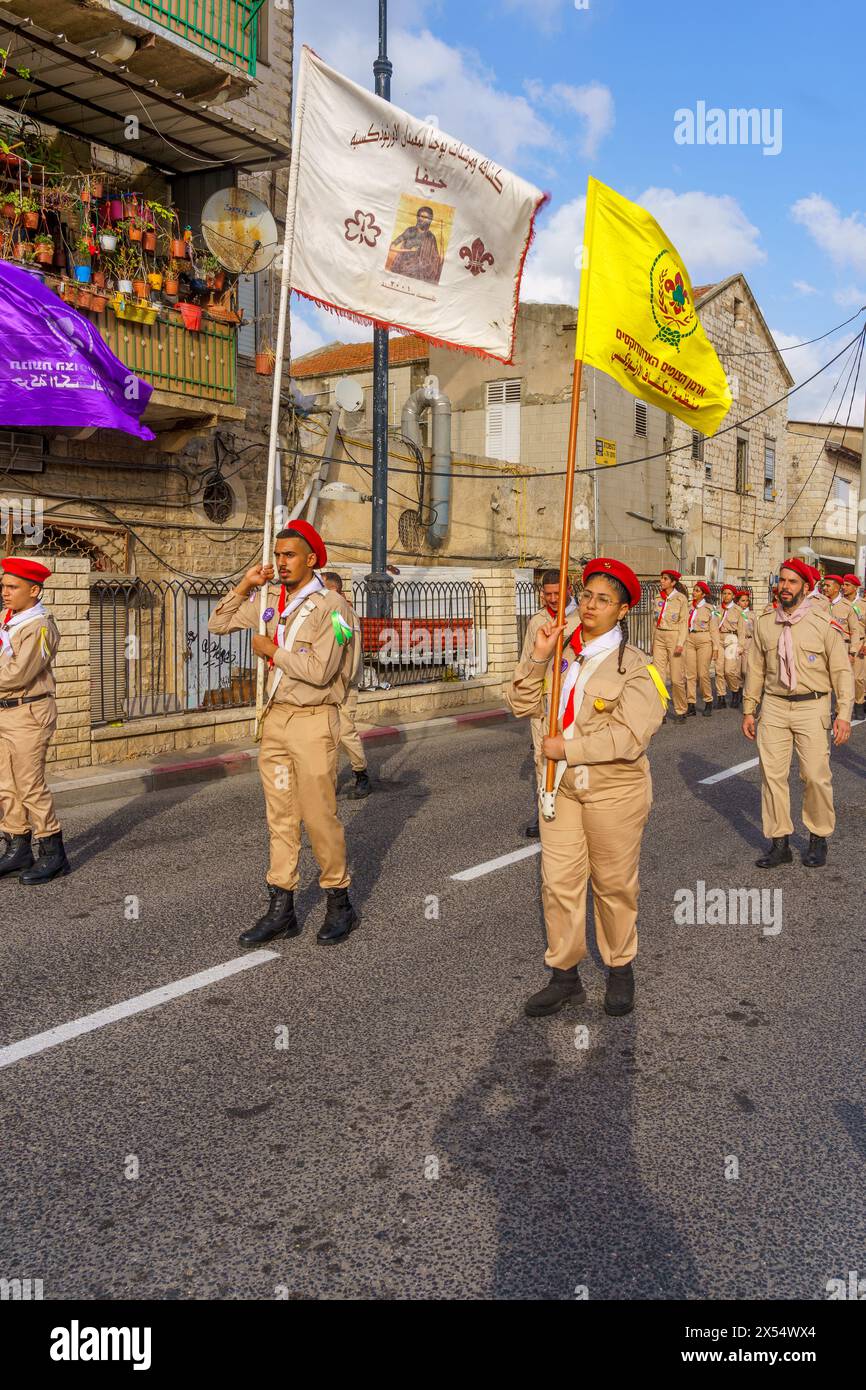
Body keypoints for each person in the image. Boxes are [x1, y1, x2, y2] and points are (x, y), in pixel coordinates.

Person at [507, 558, 667, 1020]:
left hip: (613, 791)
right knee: (558, 884)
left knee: (613, 884)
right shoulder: (560, 651)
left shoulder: (637, 667)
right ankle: (565, 976)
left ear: (622, 611)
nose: (592, 605)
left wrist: (567, 747)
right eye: (589, 595)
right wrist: (538, 657)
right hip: (559, 788)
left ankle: (619, 968)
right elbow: (519, 703)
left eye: (604, 600)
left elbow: (632, 737)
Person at [208, 521, 359, 946]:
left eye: (288, 555)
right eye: (277, 555)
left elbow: (322, 671)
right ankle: (282, 906)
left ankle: (338, 901)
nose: (280, 562)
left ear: (311, 559)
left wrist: (273, 651)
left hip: (314, 722)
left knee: (318, 816)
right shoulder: (270, 602)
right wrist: (244, 585)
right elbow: (217, 625)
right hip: (275, 722)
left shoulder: (333, 608)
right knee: (279, 816)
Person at [742, 557, 853, 869]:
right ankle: (780, 844)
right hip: (774, 705)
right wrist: (749, 709)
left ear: (806, 587)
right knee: (772, 776)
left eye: (792, 582)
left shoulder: (823, 623)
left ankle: (818, 838)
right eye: (782, 580)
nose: (785, 587)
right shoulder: (765, 623)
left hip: (813, 705)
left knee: (816, 776)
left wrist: (844, 713)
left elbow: (842, 671)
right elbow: (756, 669)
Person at [0, 556, 70, 884]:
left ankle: (53, 852)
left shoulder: (40, 625)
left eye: (13, 587)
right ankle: (17, 848)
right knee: (6, 784)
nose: (5, 592)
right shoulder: (8, 619)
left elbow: (16, 673)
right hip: (4, 711)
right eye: (3, 585)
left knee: (30, 784)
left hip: (29, 712)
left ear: (34, 589)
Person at [520, 570, 579, 838]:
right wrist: (528, 700)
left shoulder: (582, 618)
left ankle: (572, 808)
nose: (553, 599)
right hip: (545, 699)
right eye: (548, 594)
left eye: (558, 592)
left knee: (572, 755)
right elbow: (528, 662)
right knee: (541, 757)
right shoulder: (537, 621)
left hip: (574, 699)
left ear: (569, 589)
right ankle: (545, 807)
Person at [322, 571, 370, 800]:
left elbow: (345, 652)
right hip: (331, 684)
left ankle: (361, 774)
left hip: (343, 684)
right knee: (328, 735)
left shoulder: (340, 614)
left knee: (345, 732)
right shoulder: (336, 611)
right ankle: (327, 782)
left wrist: (339, 683)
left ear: (334, 590)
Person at [651, 569, 688, 723]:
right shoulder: (658, 597)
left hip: (674, 636)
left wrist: (680, 643)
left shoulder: (681, 599)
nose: (662, 581)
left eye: (665, 579)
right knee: (658, 676)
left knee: (676, 678)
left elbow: (684, 622)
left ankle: (681, 710)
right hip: (659, 636)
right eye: (661, 578)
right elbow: (654, 621)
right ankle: (661, 710)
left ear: (673, 582)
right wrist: (653, 641)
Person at [685, 580, 719, 716]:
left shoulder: (711, 609)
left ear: (703, 594)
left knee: (703, 673)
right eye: (694, 590)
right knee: (690, 674)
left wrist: (716, 648)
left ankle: (708, 700)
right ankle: (691, 704)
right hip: (689, 639)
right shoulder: (689, 608)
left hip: (704, 641)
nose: (694, 592)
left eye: (697, 590)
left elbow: (715, 630)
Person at [385, 207, 443, 283]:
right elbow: (392, 246)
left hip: (421, 274)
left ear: (430, 220)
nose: (422, 219)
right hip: (403, 269)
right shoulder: (410, 231)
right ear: (417, 217)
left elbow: (435, 259)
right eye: (421, 216)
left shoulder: (431, 237)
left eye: (426, 218)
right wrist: (409, 250)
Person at [714, 583, 746, 708]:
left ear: (733, 596)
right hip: (719, 638)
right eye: (724, 593)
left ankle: (735, 690)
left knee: (729, 670)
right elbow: (713, 625)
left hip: (732, 638)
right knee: (719, 670)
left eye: (729, 594)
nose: (726, 596)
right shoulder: (717, 610)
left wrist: (741, 646)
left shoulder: (739, 610)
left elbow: (742, 630)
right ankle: (721, 696)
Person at [840, 574, 865, 719]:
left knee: (858, 679)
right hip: (843, 644)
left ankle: (859, 704)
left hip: (860, 644)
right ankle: (842, 709)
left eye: (847, 585)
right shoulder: (840, 604)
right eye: (843, 584)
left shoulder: (862, 604)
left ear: (855, 588)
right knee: (842, 678)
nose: (844, 587)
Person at [822, 573, 860, 651]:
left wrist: (853, 650)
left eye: (828, 586)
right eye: (824, 585)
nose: (824, 588)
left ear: (836, 588)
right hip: (822, 646)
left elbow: (855, 630)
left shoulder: (848, 607)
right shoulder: (819, 604)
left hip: (842, 647)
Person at [736, 588, 755, 690]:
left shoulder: (752, 614)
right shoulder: (735, 613)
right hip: (737, 641)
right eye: (743, 600)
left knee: (745, 669)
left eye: (747, 600)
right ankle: (738, 690)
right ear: (738, 602)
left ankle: (747, 688)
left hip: (748, 642)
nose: (745, 603)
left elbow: (755, 630)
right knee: (737, 669)